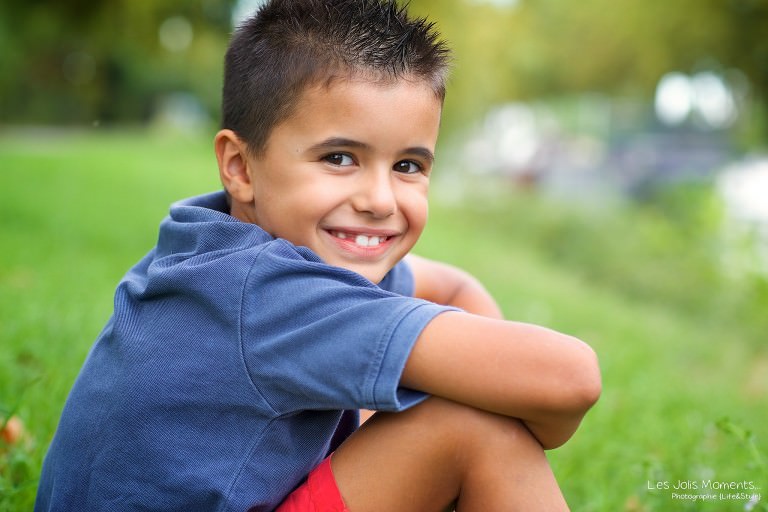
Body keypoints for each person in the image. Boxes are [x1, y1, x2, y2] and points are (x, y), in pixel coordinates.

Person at [35, 0, 601, 510]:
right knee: (474, 428)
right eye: (339, 157)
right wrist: (502, 405)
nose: (380, 201)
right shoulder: (263, 292)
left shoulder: (219, 243)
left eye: (408, 165)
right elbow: (571, 379)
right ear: (239, 166)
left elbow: (451, 289)